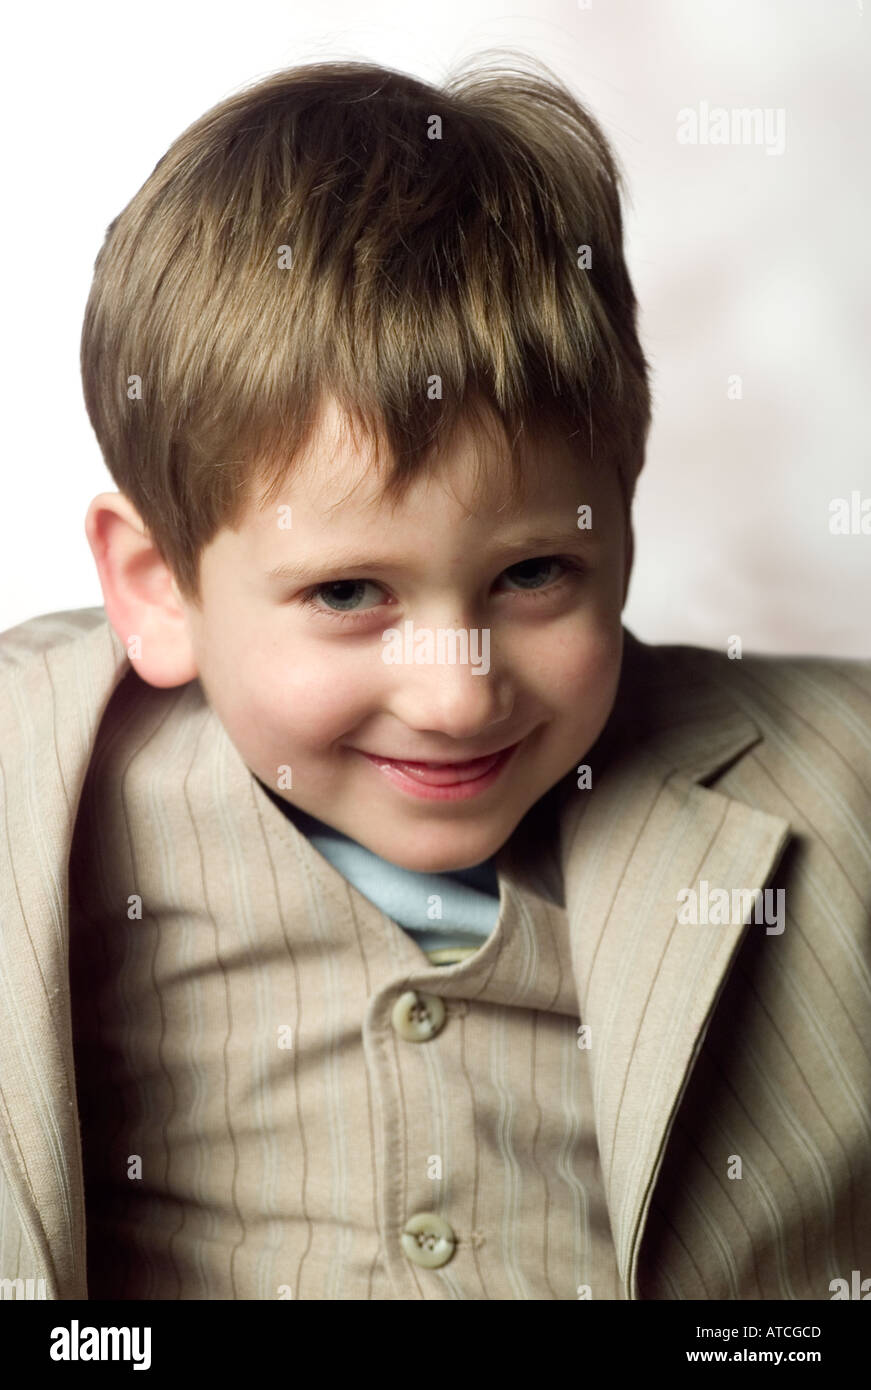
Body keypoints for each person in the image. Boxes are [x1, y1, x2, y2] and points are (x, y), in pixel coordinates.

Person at [1, 55, 869, 1302]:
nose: (457, 697)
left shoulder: (843, 779)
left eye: (533, 576)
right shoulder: (38, 779)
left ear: (620, 522)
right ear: (156, 586)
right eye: (350, 594)